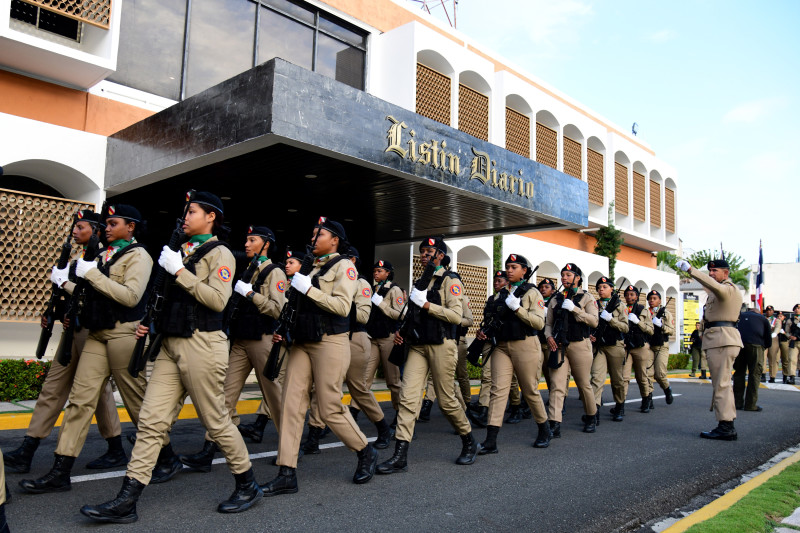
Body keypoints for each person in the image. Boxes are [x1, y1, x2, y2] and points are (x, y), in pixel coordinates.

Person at [81, 192, 262, 523]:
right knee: (150, 422)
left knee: (216, 421)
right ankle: (127, 500)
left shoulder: (220, 253)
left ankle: (247, 483)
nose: (186, 217)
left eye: (192, 211)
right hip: (170, 343)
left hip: (202, 344)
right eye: (185, 211)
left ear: (211, 217)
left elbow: (217, 301)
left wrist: (179, 271)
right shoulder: (181, 249)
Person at [20, 205, 152, 495]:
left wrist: (89, 276)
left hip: (122, 333)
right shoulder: (105, 255)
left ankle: (165, 455)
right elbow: (88, 295)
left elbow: (130, 297)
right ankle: (60, 471)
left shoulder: (138, 255)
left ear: (130, 227)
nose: (106, 227)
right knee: (79, 401)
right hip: (95, 333)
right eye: (105, 223)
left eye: (113, 223)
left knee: (136, 402)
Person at [260, 218, 378, 496]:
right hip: (303, 341)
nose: (313, 238)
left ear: (335, 240)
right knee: (291, 404)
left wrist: (308, 289)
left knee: (328, 408)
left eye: (319, 234)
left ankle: (365, 450)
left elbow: (341, 307)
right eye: (312, 234)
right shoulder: (311, 268)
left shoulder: (345, 267)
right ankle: (286, 472)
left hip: (330, 342)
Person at [4, 210, 124, 474]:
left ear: (94, 230)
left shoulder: (106, 259)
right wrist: (54, 314)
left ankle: (117, 448)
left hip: (92, 332)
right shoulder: (75, 261)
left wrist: (66, 285)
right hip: (72, 331)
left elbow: (96, 295)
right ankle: (28, 448)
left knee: (98, 393)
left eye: (80, 227)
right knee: (52, 388)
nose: (75, 231)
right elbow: (68, 299)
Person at [179, 225, 287, 472]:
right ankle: (209, 451)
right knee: (225, 395)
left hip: (262, 339)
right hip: (240, 340)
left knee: (274, 395)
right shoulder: (247, 270)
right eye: (246, 239)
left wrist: (251, 295)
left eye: (252, 240)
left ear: (266, 244)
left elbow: (277, 309)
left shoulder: (275, 273)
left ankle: (289, 444)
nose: (246, 244)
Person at [377, 236, 477, 474]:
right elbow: (411, 314)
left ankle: (469, 441)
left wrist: (427, 306)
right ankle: (400, 455)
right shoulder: (421, 282)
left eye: (429, 251)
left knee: (446, 400)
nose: (424, 255)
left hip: (442, 344)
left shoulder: (450, 281)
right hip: (419, 346)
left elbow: (456, 315)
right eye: (422, 251)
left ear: (440, 256)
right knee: (409, 398)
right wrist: (404, 333)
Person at [304, 247, 393, 452]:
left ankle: (383, 428)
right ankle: (314, 437)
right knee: (320, 388)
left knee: (358, 389)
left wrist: (341, 304)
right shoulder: (325, 276)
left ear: (351, 260)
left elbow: (363, 316)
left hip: (355, 338)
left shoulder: (360, 283)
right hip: (331, 337)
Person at [477, 254, 550, 454]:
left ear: (524, 271)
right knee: (498, 390)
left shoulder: (531, 292)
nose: (509, 270)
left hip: (525, 344)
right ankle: (490, 440)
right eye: (508, 267)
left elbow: (539, 323)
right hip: (501, 346)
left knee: (529, 390)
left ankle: (544, 428)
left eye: (514, 267)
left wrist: (518, 309)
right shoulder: (502, 292)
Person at [675, 258, 743, 440]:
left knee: (721, 384)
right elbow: (709, 286)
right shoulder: (718, 291)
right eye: (709, 271)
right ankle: (727, 424)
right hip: (719, 339)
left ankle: (726, 426)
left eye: (715, 271)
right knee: (723, 383)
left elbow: (712, 285)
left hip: (722, 340)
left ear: (726, 273)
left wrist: (691, 270)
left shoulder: (727, 289)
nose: (711, 274)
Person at [544, 263, 599, 435]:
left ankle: (591, 415)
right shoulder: (556, 298)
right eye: (563, 275)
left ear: (577, 278)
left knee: (583, 384)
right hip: (560, 346)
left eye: (568, 275)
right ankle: (554, 422)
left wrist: (575, 309)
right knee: (557, 385)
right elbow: (548, 324)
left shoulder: (587, 298)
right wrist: (549, 336)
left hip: (580, 345)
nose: (564, 278)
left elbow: (594, 321)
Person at [363, 260, 404, 428]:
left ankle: (401, 415)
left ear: (388, 273)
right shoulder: (374, 289)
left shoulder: (394, 290)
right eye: (375, 270)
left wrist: (381, 304)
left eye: (380, 271)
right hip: (372, 338)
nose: (376, 273)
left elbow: (400, 314)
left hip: (388, 338)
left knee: (393, 381)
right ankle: (354, 411)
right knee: (364, 380)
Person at [467, 270, 507, 427]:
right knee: (487, 374)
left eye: (500, 281)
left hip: (500, 343)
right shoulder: (491, 299)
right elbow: (487, 320)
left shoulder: (508, 298)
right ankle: (484, 407)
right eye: (495, 281)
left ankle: (516, 405)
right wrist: (481, 331)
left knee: (508, 381)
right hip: (488, 340)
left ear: (506, 282)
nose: (496, 283)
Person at [589, 276, 629, 422]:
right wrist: (590, 335)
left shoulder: (620, 305)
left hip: (615, 345)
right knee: (597, 378)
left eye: (604, 287)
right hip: (599, 346)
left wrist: (611, 319)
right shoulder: (593, 304)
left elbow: (625, 327)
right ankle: (594, 411)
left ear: (612, 289)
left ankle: (619, 405)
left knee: (617, 379)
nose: (601, 290)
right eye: (599, 287)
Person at [621, 286, 654, 413]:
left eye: (632, 294)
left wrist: (638, 322)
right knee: (624, 377)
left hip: (640, 346)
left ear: (637, 296)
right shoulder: (622, 308)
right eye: (627, 294)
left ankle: (646, 399)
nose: (629, 297)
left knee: (641, 376)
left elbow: (650, 330)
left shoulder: (643, 310)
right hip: (626, 347)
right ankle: (621, 404)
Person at [734, 306, 771, 411]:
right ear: (758, 312)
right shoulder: (763, 319)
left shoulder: (739, 316)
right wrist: (764, 347)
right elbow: (768, 339)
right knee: (755, 374)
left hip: (739, 345)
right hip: (756, 345)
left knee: (739, 373)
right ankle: (750, 405)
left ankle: (737, 403)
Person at [647, 290, 675, 405]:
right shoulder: (645, 312)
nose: (652, 301)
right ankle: (648, 398)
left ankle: (667, 389)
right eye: (650, 298)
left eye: (654, 298)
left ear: (660, 301)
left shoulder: (666, 313)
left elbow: (671, 330)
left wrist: (661, 325)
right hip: (648, 345)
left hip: (661, 346)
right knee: (647, 374)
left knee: (659, 375)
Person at [764, 306, 781, 383]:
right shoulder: (763, 319)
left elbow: (777, 328)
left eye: (770, 310)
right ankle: (763, 375)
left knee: (772, 359)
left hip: (773, 339)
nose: (768, 312)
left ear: (773, 311)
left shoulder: (776, 320)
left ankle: (772, 376)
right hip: (763, 339)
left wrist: (774, 333)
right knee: (762, 358)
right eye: (767, 310)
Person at [785, 305, 800, 385]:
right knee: (792, 359)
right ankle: (792, 377)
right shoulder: (790, 320)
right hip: (793, 342)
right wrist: (790, 336)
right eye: (796, 309)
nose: (797, 310)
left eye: (799, 308)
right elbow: (787, 331)